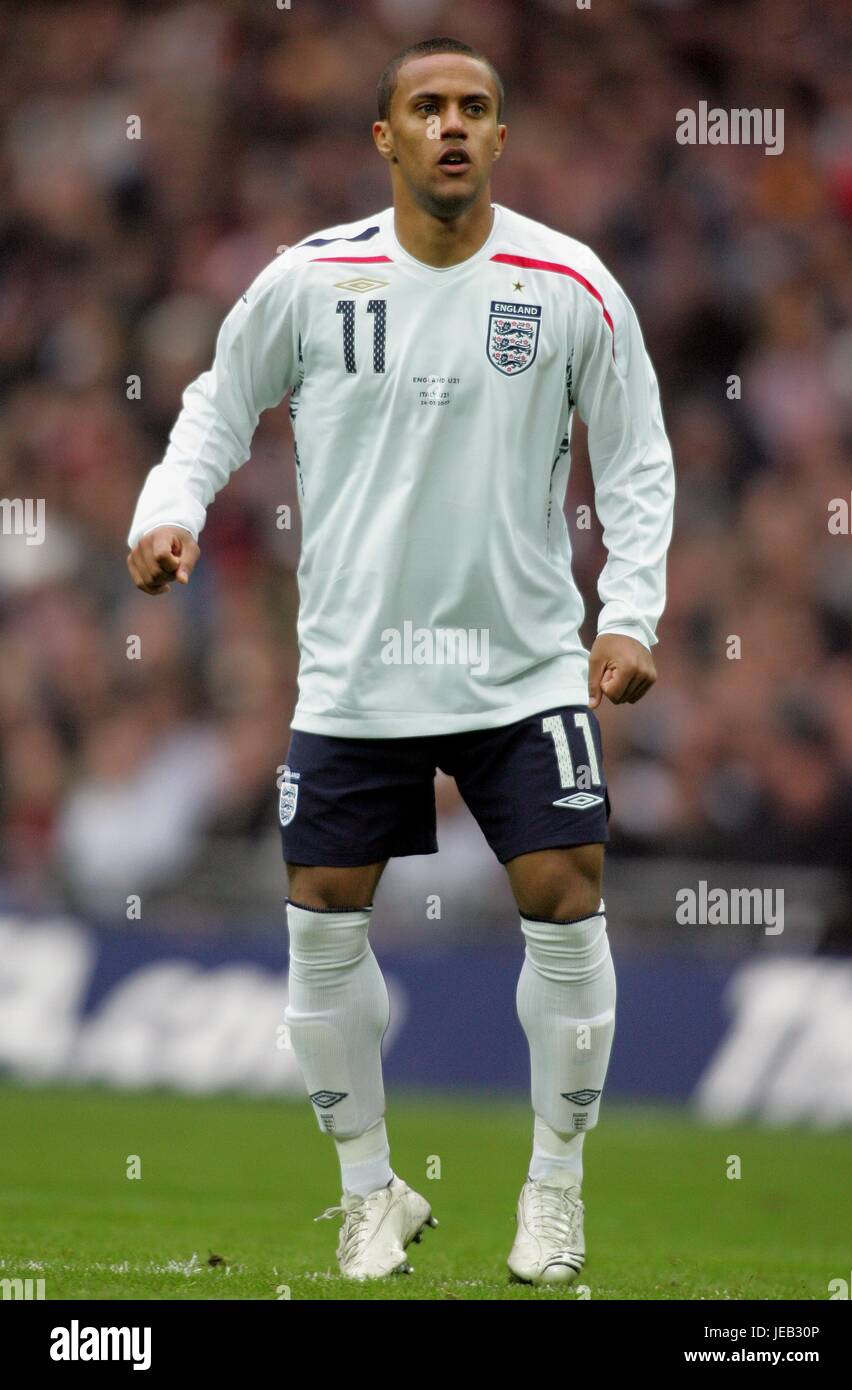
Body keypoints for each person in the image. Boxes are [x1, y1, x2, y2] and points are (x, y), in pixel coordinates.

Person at [126, 36, 675, 1285]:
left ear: (498, 136)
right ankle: (370, 1194)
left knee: (563, 892)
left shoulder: (568, 281)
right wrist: (167, 509)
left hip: (521, 665)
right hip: (357, 670)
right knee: (320, 926)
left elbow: (635, 458)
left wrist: (629, 611)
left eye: (474, 109)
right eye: (425, 107)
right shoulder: (309, 281)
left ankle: (555, 1191)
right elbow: (218, 401)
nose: (450, 126)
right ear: (383, 138)